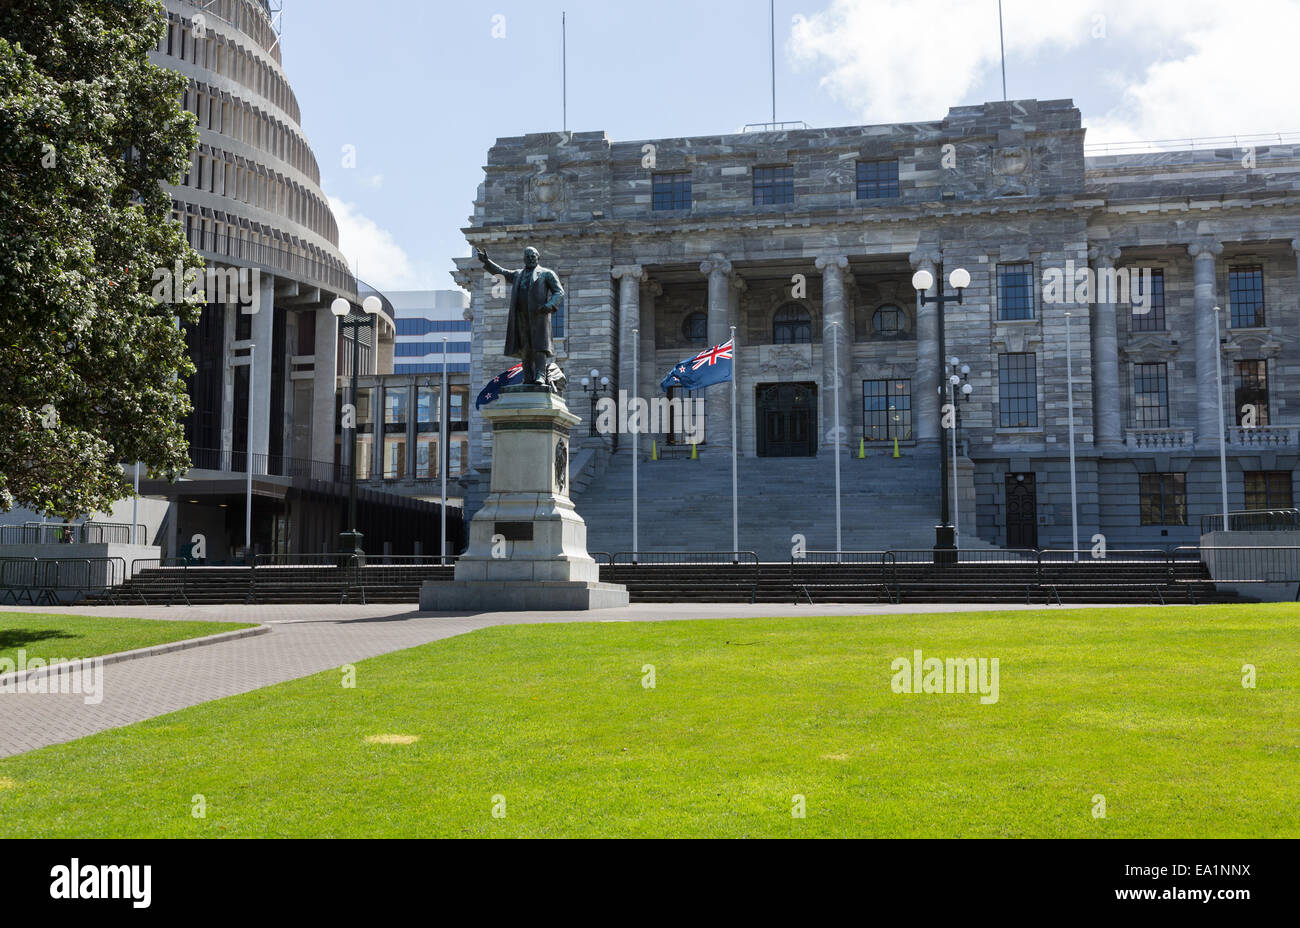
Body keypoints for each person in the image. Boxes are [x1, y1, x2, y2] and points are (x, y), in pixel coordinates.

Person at [476, 246, 565, 387]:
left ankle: (540, 375)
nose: (530, 259)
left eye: (533, 256)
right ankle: (528, 377)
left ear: (538, 257)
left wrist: (549, 305)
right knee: (525, 347)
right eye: (527, 257)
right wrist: (487, 262)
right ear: (524, 258)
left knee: (539, 346)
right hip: (521, 317)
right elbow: (501, 272)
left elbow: (559, 292)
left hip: (539, 315)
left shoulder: (547, 274)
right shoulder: (518, 274)